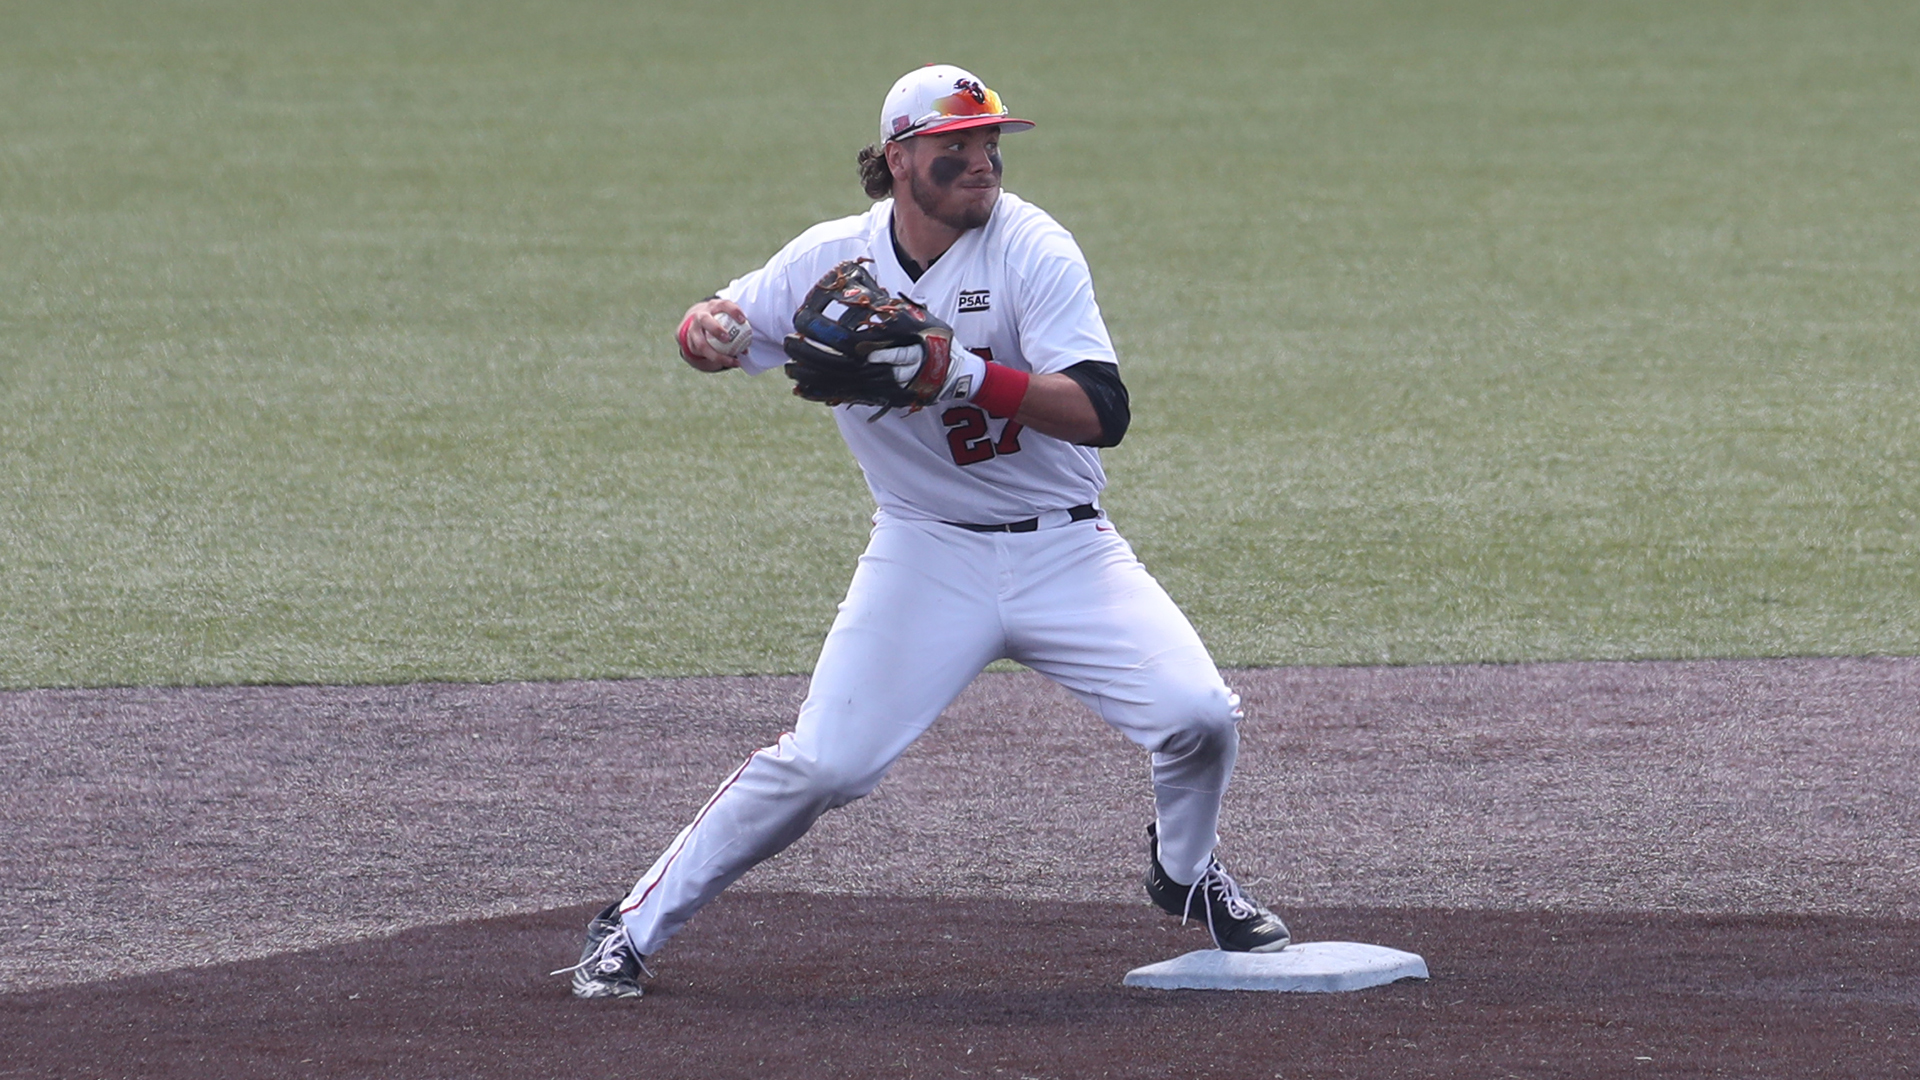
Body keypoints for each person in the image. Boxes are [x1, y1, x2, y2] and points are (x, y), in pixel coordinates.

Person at [559, 64, 1290, 1000]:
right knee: (826, 764)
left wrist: (962, 376)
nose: (984, 161)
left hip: (1066, 548)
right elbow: (720, 325)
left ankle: (1184, 874)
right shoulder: (828, 258)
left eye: (991, 142)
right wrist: (709, 334)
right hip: (924, 551)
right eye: (959, 146)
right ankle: (628, 926)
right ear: (901, 158)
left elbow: (1104, 410)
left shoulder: (1034, 247)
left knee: (1198, 718)